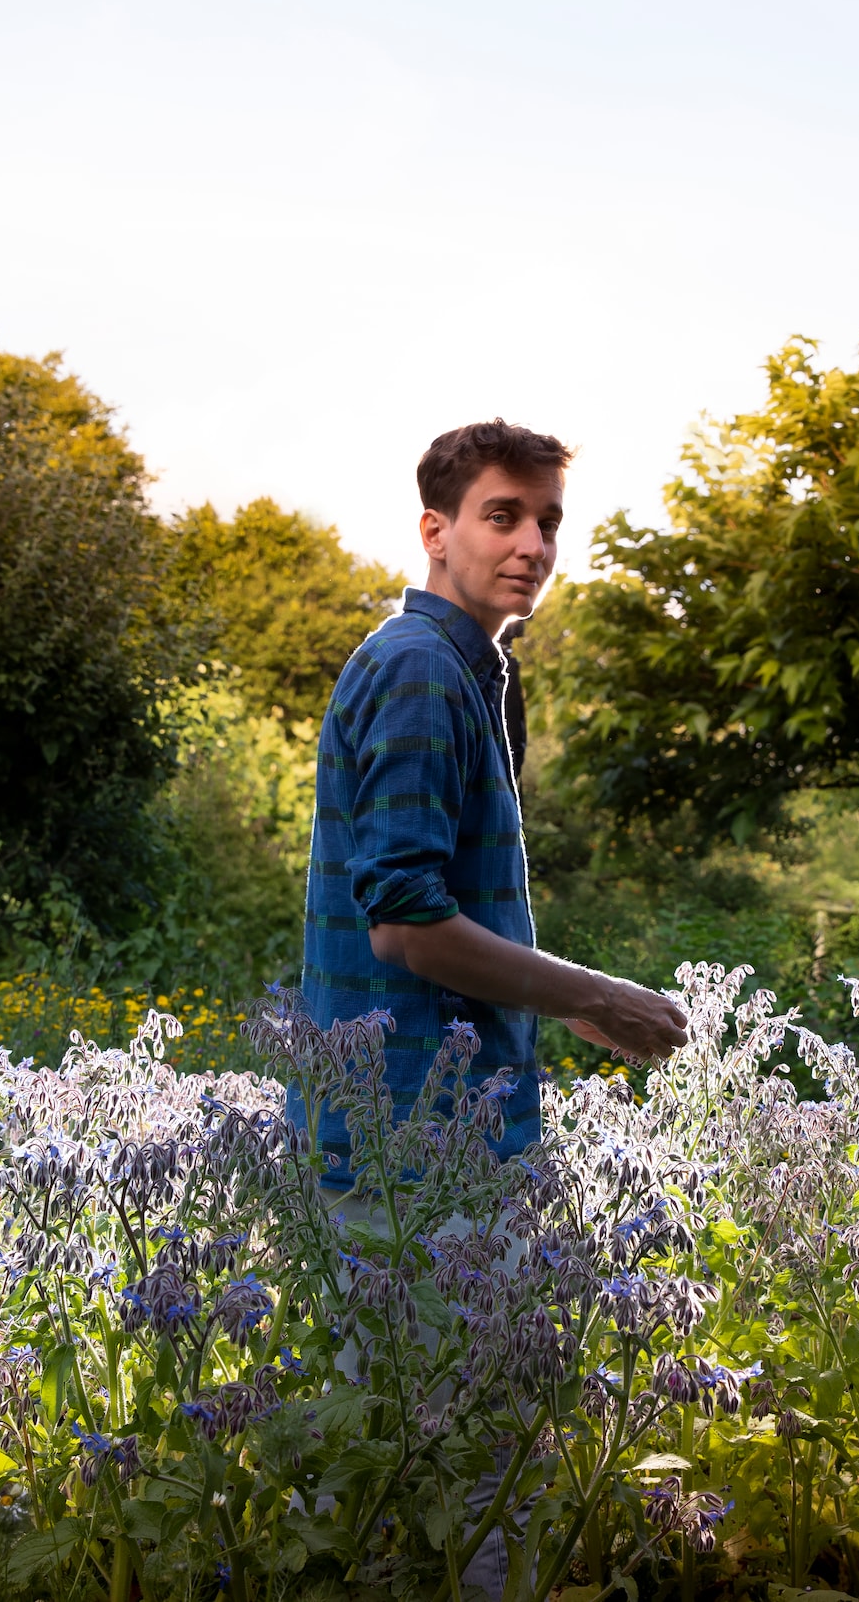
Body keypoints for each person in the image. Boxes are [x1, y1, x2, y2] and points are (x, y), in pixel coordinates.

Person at [292, 419, 689, 1186]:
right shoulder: (420, 670)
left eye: (548, 523)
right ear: (435, 532)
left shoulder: (463, 669)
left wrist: (548, 993)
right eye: (503, 516)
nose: (533, 546)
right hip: (408, 1166)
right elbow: (410, 931)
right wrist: (602, 998)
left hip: (433, 1150)